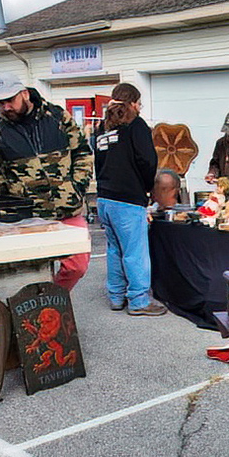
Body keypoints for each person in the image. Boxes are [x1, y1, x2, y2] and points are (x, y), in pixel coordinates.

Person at [0, 72, 92, 292]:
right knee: (31, 272)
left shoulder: (58, 117)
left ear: (24, 94)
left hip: (67, 206)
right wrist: (11, 200)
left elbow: (82, 152)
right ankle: (38, 305)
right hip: (27, 215)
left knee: (78, 265)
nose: (6, 107)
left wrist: (77, 187)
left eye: (10, 100)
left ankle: (52, 298)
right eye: (1, 102)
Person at [95, 82, 167, 316]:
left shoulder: (102, 127)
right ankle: (138, 300)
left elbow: (98, 162)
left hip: (104, 198)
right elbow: (148, 160)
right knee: (135, 252)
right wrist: (146, 188)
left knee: (115, 250)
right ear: (134, 103)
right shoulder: (136, 125)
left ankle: (116, 296)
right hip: (127, 200)